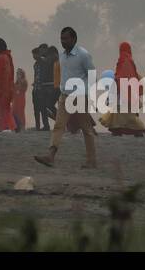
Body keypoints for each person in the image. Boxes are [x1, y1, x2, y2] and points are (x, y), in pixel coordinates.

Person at [36, 27, 97, 169]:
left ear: (74, 39)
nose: (63, 41)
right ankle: (50, 156)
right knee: (59, 125)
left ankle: (91, 160)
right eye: (61, 39)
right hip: (64, 96)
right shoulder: (62, 56)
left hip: (80, 96)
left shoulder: (83, 55)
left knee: (86, 129)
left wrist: (85, 91)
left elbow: (92, 75)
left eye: (66, 38)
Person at [102, 42, 145, 136]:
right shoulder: (130, 60)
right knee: (119, 112)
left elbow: (121, 75)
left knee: (128, 116)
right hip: (129, 90)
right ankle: (117, 131)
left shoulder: (123, 60)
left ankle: (144, 130)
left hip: (124, 90)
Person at [31, 46, 50, 130]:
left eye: (35, 54)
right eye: (33, 55)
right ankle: (37, 126)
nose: (34, 56)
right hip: (35, 88)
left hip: (42, 89)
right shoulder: (35, 64)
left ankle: (46, 126)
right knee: (36, 109)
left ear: (39, 54)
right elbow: (36, 76)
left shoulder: (44, 62)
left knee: (43, 108)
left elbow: (45, 75)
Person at [11, 68, 28, 132]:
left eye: (19, 73)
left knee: (20, 113)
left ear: (22, 74)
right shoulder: (16, 82)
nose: (17, 75)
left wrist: (20, 81)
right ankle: (15, 126)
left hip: (21, 100)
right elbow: (12, 90)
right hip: (15, 100)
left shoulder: (24, 81)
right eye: (17, 73)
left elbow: (24, 89)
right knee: (13, 112)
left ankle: (22, 126)